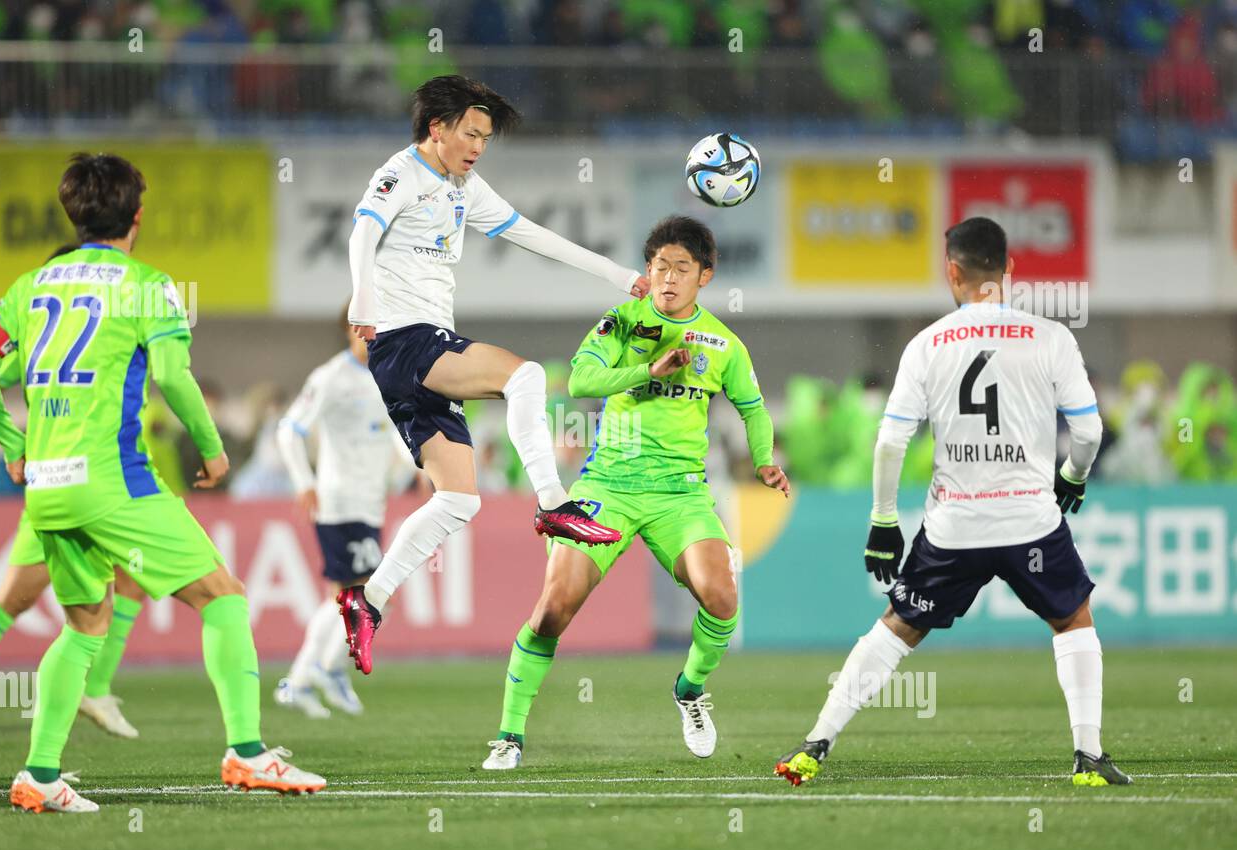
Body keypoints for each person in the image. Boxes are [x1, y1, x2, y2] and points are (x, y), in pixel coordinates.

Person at [0, 152, 324, 812]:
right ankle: (247, 754)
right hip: (111, 480)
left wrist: (12, 442)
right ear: (138, 214)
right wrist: (213, 453)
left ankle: (39, 776)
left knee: (84, 626)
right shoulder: (148, 285)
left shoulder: (28, 287)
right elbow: (175, 377)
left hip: (46, 486)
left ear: (74, 212)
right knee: (225, 597)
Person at [775, 216, 1131, 788]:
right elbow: (1088, 434)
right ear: (1010, 269)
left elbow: (891, 440)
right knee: (1072, 620)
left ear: (952, 272)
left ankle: (815, 743)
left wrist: (883, 521)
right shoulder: (1052, 338)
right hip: (1030, 524)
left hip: (953, 528)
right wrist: (1073, 475)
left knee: (895, 628)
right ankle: (1087, 757)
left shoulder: (925, 345)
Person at [339, 74, 651, 673]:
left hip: (411, 361)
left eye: (486, 137)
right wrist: (363, 301)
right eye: (471, 133)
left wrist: (618, 276)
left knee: (458, 500)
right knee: (526, 375)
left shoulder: (465, 186)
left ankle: (368, 599)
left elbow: (532, 235)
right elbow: (363, 232)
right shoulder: (401, 172)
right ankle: (553, 503)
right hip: (406, 340)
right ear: (437, 129)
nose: (479, 146)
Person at [481, 216, 791, 770]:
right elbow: (580, 381)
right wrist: (647, 369)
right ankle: (509, 735)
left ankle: (690, 689)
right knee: (553, 609)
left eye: (681, 268)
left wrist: (764, 460)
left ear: (705, 276)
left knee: (721, 597)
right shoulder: (622, 321)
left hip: (681, 495)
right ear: (647, 272)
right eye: (658, 267)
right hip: (608, 487)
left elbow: (752, 406)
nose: (667, 278)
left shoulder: (723, 343)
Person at [0, 244, 145, 748]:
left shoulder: (41, 338)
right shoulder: (109, 324)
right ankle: (88, 695)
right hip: (96, 479)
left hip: (51, 480)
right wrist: (9, 442)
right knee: (135, 578)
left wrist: (11, 441)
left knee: (14, 597)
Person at [274, 306, 418, 718]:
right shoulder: (330, 378)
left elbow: (394, 433)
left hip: (370, 502)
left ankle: (307, 678)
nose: (371, 335)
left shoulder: (386, 374)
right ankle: (318, 670)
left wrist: (420, 467)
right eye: (365, 328)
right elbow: (289, 430)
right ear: (351, 329)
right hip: (339, 500)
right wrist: (304, 480)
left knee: (354, 596)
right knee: (373, 594)